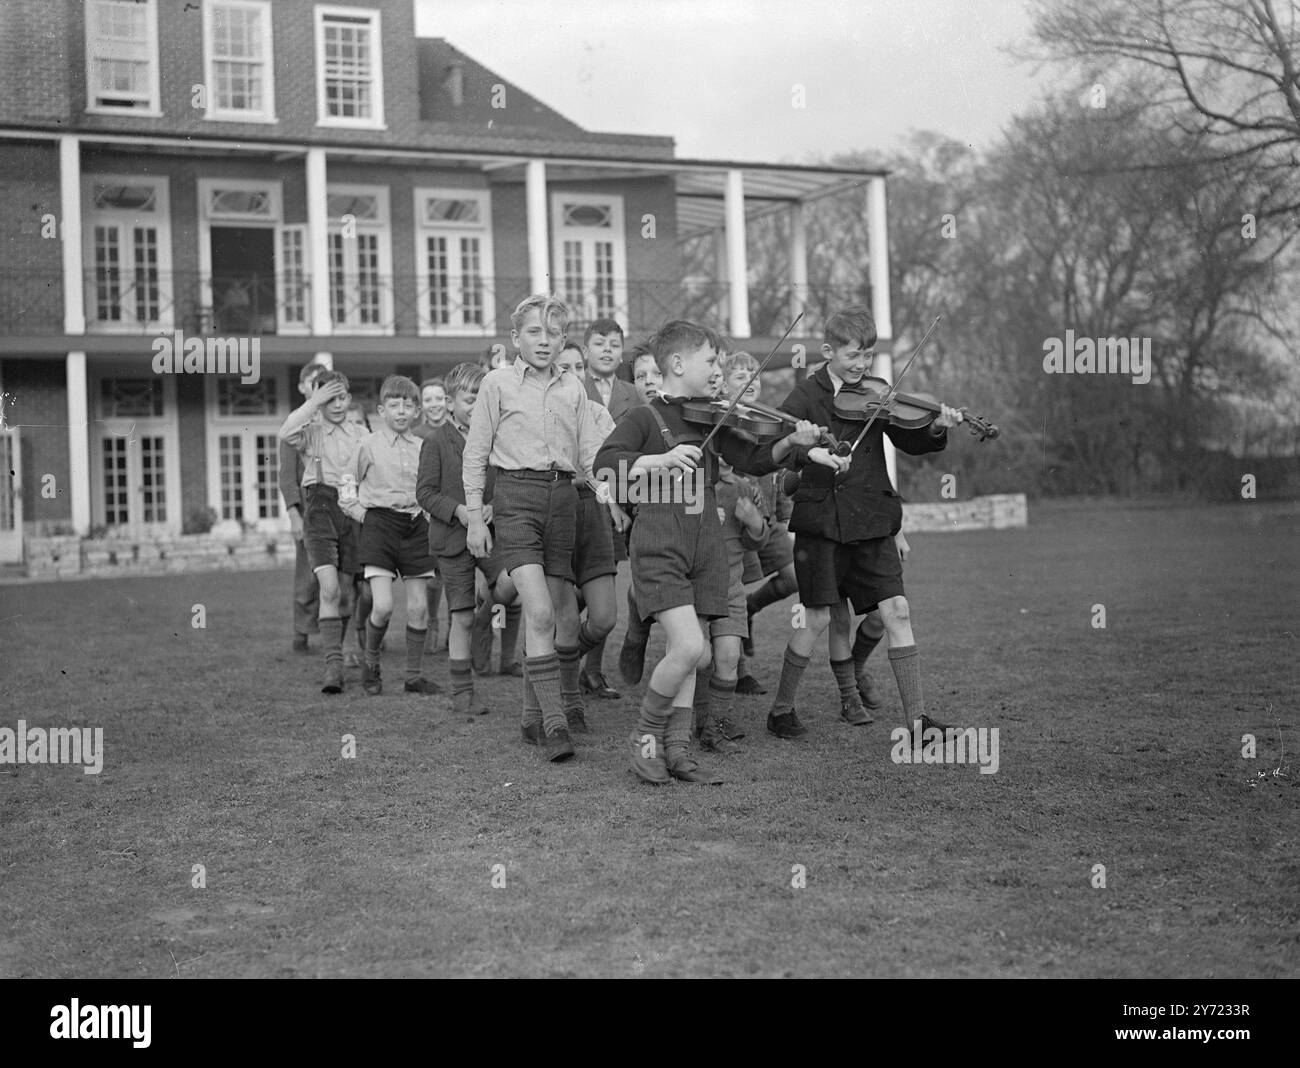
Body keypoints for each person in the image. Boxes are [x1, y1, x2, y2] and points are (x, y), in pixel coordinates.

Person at [594, 319, 835, 785]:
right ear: (678, 364)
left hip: (704, 536)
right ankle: (645, 738)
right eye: (711, 362)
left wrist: (792, 441)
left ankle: (679, 751)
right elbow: (605, 467)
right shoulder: (644, 418)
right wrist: (657, 460)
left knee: (699, 654)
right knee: (686, 647)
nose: (718, 371)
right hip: (660, 536)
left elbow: (755, 459)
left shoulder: (713, 415)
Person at [767, 306, 962, 739]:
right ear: (828, 351)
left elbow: (910, 438)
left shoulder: (878, 391)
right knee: (816, 618)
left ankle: (917, 723)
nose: (863, 365)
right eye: (854, 355)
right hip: (823, 522)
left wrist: (936, 428)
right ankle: (781, 710)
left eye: (869, 355)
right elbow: (778, 446)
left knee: (897, 610)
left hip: (873, 518)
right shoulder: (805, 394)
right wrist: (808, 449)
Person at [462, 295, 605, 763]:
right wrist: (475, 517)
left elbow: (591, 454)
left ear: (564, 339)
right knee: (540, 612)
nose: (544, 342)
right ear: (515, 337)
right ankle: (556, 723)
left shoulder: (574, 389)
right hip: (515, 499)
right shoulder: (496, 383)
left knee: (561, 614)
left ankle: (529, 717)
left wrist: (619, 488)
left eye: (554, 334)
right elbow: (476, 453)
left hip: (564, 500)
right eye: (534, 333)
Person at [416, 362, 517, 717]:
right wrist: (461, 511)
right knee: (459, 616)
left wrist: (492, 506)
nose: (476, 405)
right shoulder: (435, 442)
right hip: (452, 539)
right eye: (469, 398)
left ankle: (485, 613)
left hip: (492, 535)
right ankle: (462, 693)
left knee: (513, 583)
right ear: (450, 401)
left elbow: (505, 482)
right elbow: (425, 493)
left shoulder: (497, 437)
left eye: (482, 398)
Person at [340, 375, 444, 697]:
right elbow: (346, 486)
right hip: (379, 527)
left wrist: (427, 517)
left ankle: (413, 678)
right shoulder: (366, 445)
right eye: (394, 405)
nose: (401, 411)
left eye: (408, 405)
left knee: (419, 608)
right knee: (382, 606)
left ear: (417, 412)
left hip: (415, 527)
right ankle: (371, 665)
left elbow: (431, 490)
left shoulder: (424, 447)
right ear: (381, 410)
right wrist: (364, 515)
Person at [552, 342, 630, 732]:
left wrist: (615, 499)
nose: (571, 371)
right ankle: (568, 702)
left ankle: (553, 665)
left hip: (596, 516)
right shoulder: (542, 412)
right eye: (562, 365)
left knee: (603, 618)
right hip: (558, 513)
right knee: (565, 618)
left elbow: (610, 469)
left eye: (577, 365)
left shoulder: (600, 414)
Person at [279, 371, 367, 693]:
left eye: (342, 397)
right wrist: (314, 401)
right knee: (328, 589)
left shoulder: (360, 432)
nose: (338, 404)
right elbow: (286, 431)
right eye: (330, 399)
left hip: (351, 511)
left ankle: (345, 650)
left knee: (346, 592)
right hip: (319, 510)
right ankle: (333, 669)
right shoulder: (310, 432)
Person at [693, 456, 769, 755]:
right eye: (718, 454)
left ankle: (714, 726)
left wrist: (755, 523)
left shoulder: (744, 488)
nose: (725, 459)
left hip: (731, 588)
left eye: (730, 454)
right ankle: (698, 719)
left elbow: (755, 543)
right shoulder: (689, 486)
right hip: (696, 587)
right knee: (700, 656)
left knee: (728, 657)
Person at [283, 361, 325, 652]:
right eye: (312, 382)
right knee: (307, 574)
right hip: (308, 509)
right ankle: (302, 632)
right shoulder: (295, 426)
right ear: (302, 387)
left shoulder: (335, 421)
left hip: (337, 506)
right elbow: (286, 476)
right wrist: (294, 513)